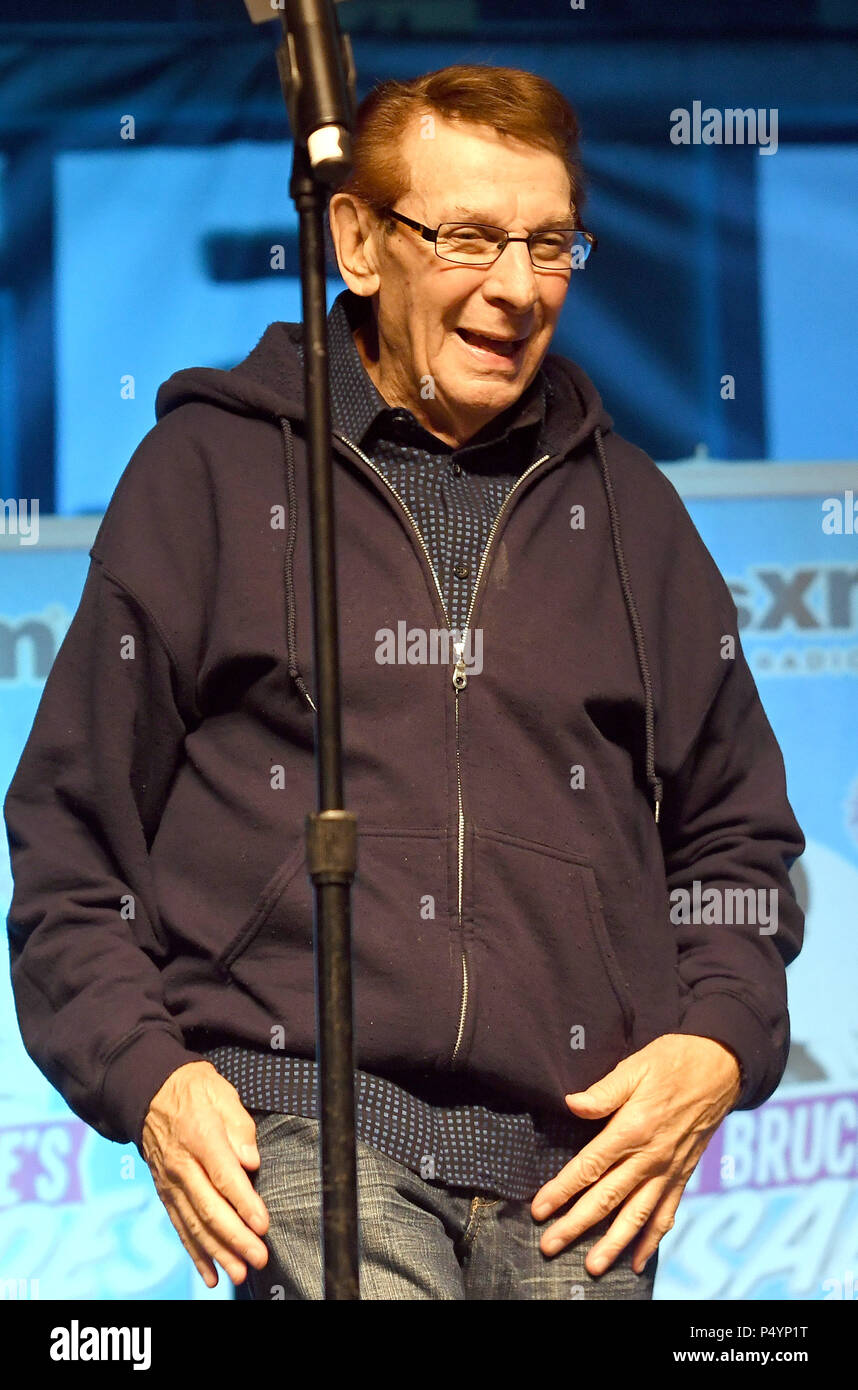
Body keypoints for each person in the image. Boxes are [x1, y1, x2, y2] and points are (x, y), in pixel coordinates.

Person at [3, 64, 805, 1301]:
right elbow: (69, 841)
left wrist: (716, 1042)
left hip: (577, 1170)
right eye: (472, 236)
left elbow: (741, 841)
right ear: (359, 242)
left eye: (550, 244)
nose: (519, 286)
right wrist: (148, 1074)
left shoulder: (635, 517)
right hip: (313, 1118)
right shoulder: (208, 477)